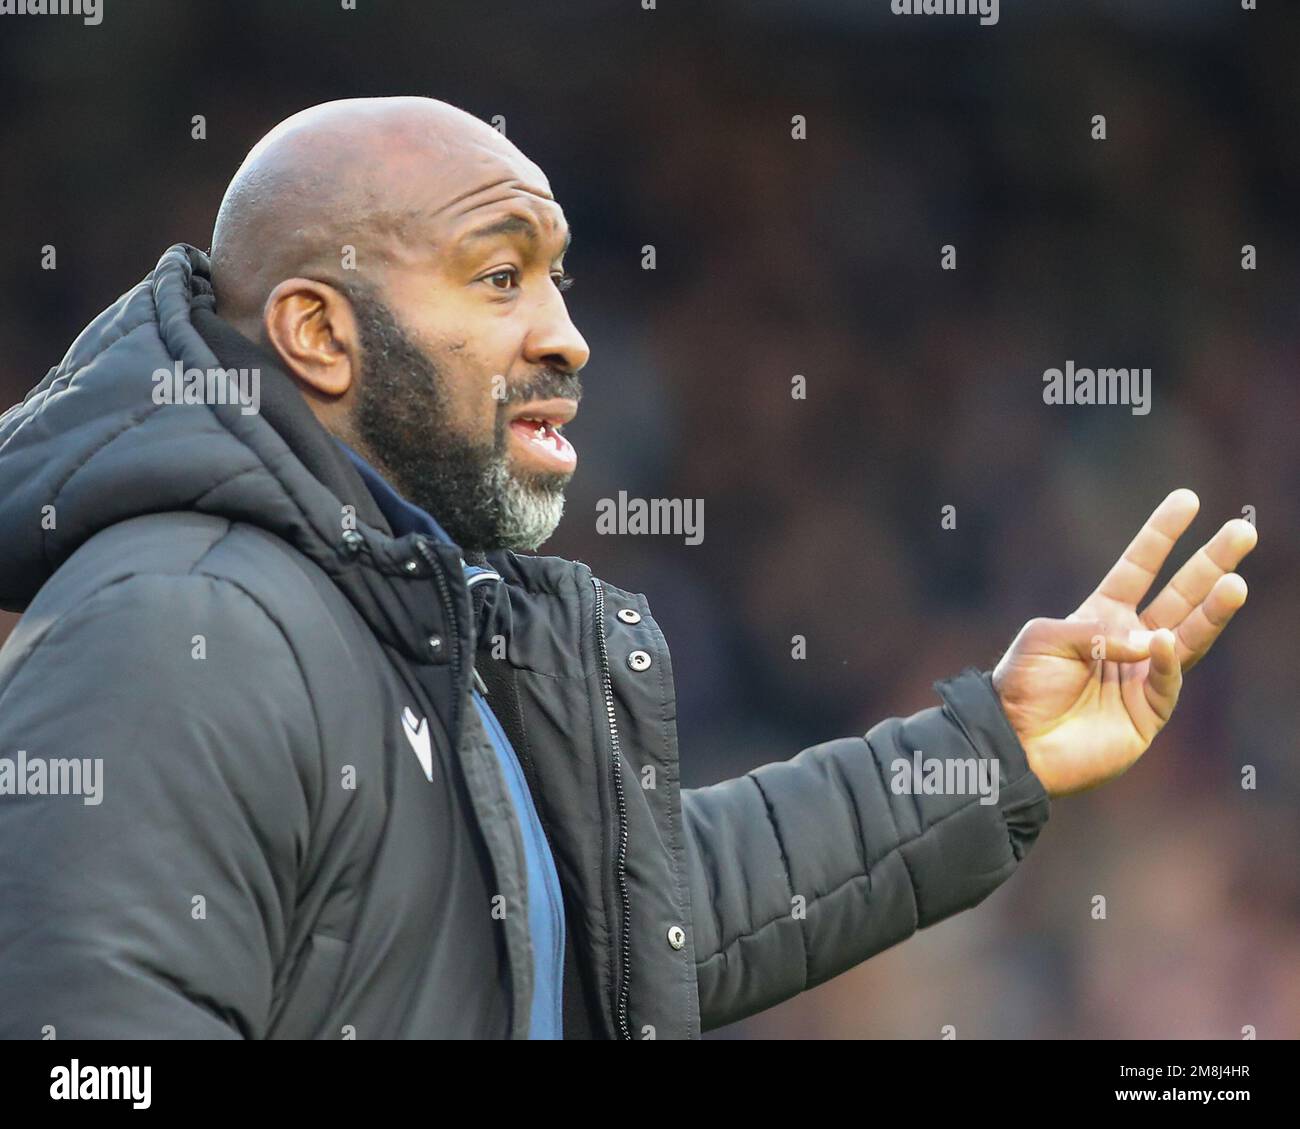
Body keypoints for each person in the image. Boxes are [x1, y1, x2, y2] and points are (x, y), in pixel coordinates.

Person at [0, 97, 1256, 1039]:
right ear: (319, 333)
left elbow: (621, 916)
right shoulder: (176, 628)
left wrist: (991, 750)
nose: (568, 335)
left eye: (557, 278)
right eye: (500, 277)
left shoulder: (408, 615)